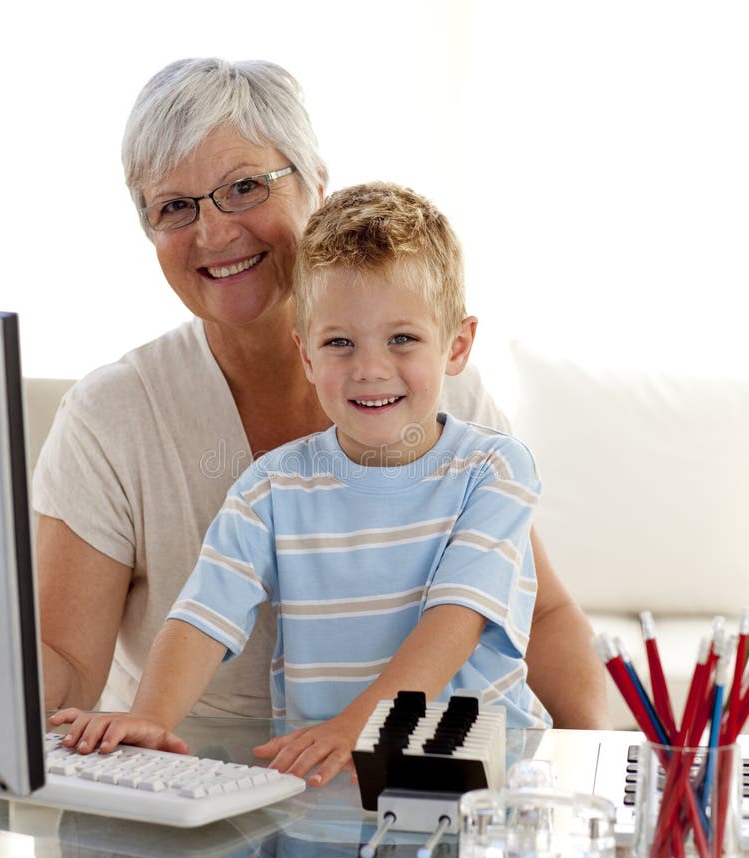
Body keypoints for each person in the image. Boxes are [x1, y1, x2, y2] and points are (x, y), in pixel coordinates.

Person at [35, 56, 611, 729]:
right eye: (174, 206)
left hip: (425, 766)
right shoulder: (129, 423)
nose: (213, 231)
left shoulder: (445, 396)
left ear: (317, 187)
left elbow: (529, 610)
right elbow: (75, 660)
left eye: (245, 186)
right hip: (214, 783)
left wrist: (599, 771)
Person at [51, 182, 552, 786]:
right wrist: (150, 716)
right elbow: (203, 615)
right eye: (339, 342)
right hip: (325, 776)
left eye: (402, 339)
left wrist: (357, 727)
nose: (369, 368)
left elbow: (455, 622)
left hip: (480, 785)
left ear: (457, 344)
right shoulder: (271, 488)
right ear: (307, 356)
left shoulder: (494, 470)